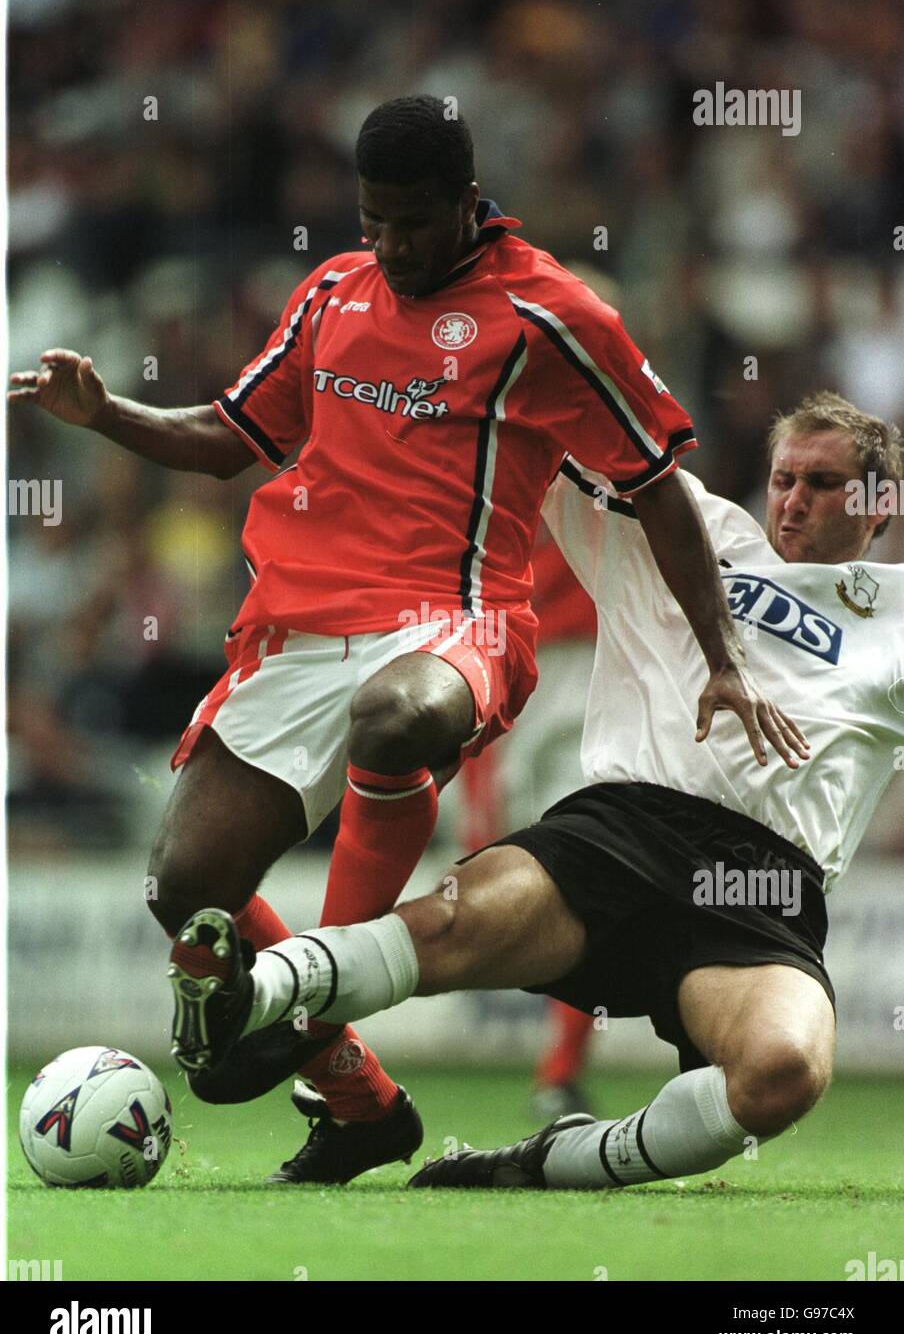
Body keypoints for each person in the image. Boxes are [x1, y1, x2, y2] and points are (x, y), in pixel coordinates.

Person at [10, 95, 802, 1185]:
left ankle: (317, 989)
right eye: (372, 219)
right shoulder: (332, 291)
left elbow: (658, 486)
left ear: (467, 202)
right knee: (183, 882)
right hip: (295, 625)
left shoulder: (551, 316)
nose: (389, 245)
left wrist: (720, 655)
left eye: (411, 223)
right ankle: (360, 1103)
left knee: (398, 718)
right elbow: (223, 442)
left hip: (455, 619)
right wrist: (105, 415)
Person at [169, 391, 902, 1190]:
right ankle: (252, 999)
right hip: (625, 830)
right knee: (446, 921)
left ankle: (549, 1159)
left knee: (784, 1072)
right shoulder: (688, 525)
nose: (793, 499)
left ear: (880, 502)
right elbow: (544, 429)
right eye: (784, 477)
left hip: (764, 888)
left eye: (823, 483)